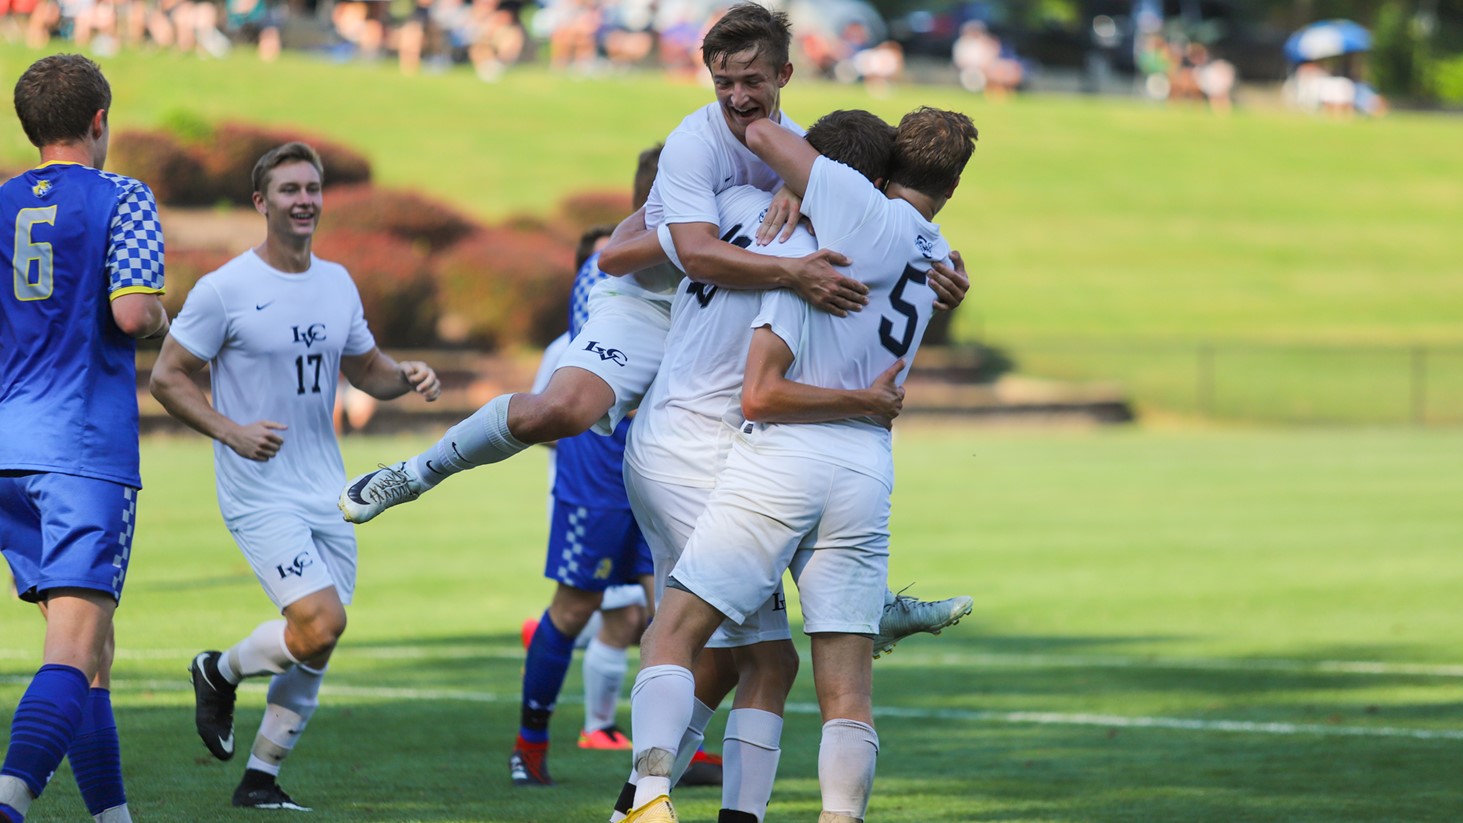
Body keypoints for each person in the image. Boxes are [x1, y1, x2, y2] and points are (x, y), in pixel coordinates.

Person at [626, 105, 978, 823]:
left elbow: (760, 394)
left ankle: (647, 799)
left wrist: (798, 190)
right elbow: (933, 250)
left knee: (672, 631)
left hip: (782, 464)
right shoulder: (933, 254)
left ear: (865, 179)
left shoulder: (825, 247)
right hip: (865, 474)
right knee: (844, 690)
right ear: (952, 184)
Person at [148, 142, 441, 812]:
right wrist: (231, 430)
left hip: (328, 487)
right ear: (261, 202)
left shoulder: (336, 280)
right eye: (288, 189)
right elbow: (167, 376)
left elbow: (367, 369)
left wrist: (407, 376)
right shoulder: (226, 289)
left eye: (312, 188)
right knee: (319, 618)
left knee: (318, 642)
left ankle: (261, 779)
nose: (304, 199)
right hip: (259, 489)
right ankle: (218, 670)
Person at [0, 53, 169, 823]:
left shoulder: (1, 205)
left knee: (93, 653)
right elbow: (134, 313)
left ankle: (114, 817)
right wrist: (166, 319)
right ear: (100, 121)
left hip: (8, 445)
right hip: (80, 449)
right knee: (71, 649)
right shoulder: (122, 197)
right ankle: (9, 800)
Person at [508, 206, 658, 788]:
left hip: (661, 465)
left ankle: (661, 764)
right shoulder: (607, 269)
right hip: (598, 472)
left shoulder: (690, 250)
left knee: (671, 616)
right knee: (574, 609)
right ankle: (530, 744)